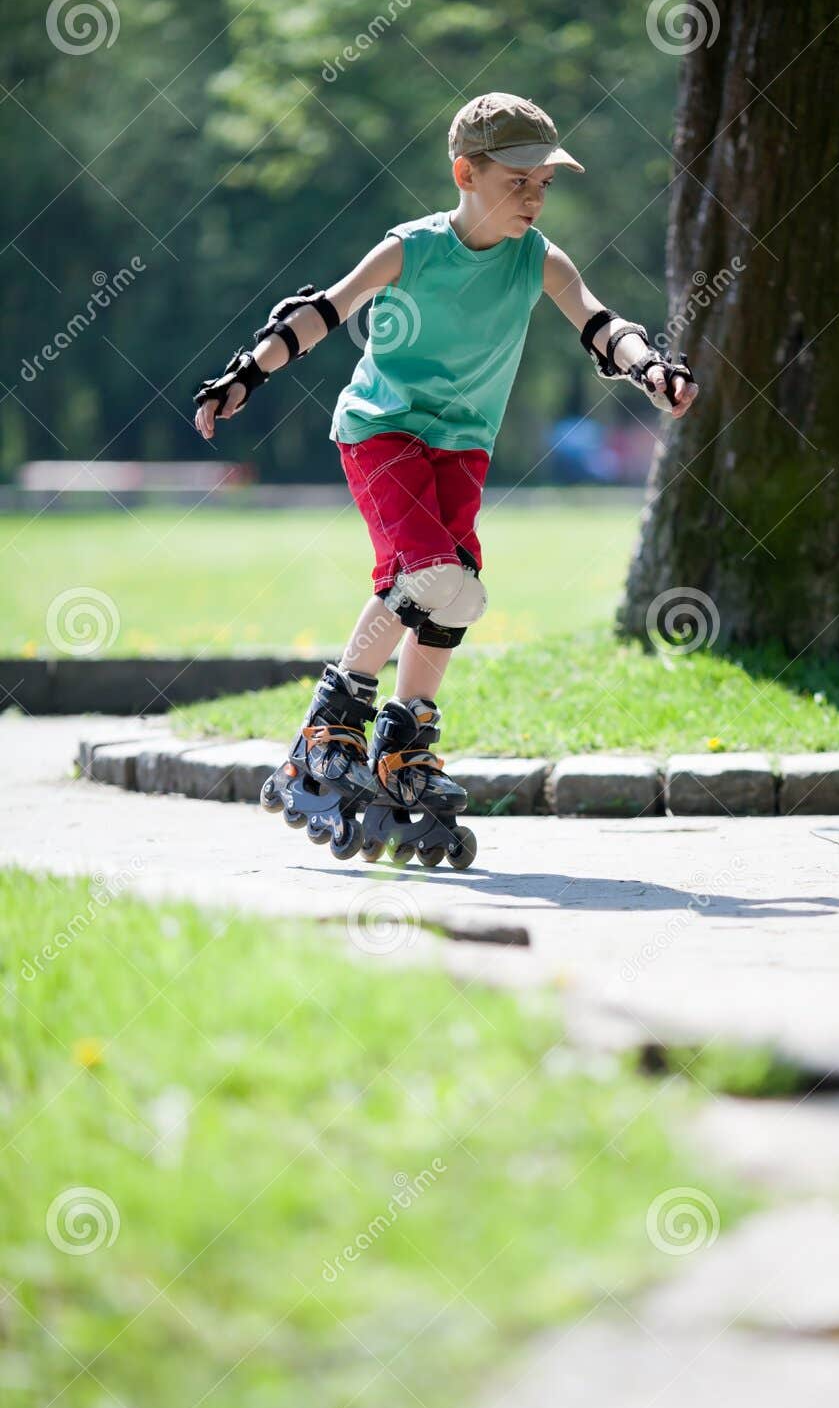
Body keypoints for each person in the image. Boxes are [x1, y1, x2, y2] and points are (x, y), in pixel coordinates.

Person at [193, 91, 697, 867]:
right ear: (465, 172)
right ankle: (327, 730)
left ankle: (404, 744)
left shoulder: (540, 261)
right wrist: (242, 379)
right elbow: (322, 313)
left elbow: (601, 325)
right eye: (516, 179)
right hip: (381, 431)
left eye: (543, 183)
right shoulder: (412, 250)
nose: (533, 195)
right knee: (428, 573)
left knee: (458, 589)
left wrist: (651, 370)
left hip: (462, 451)